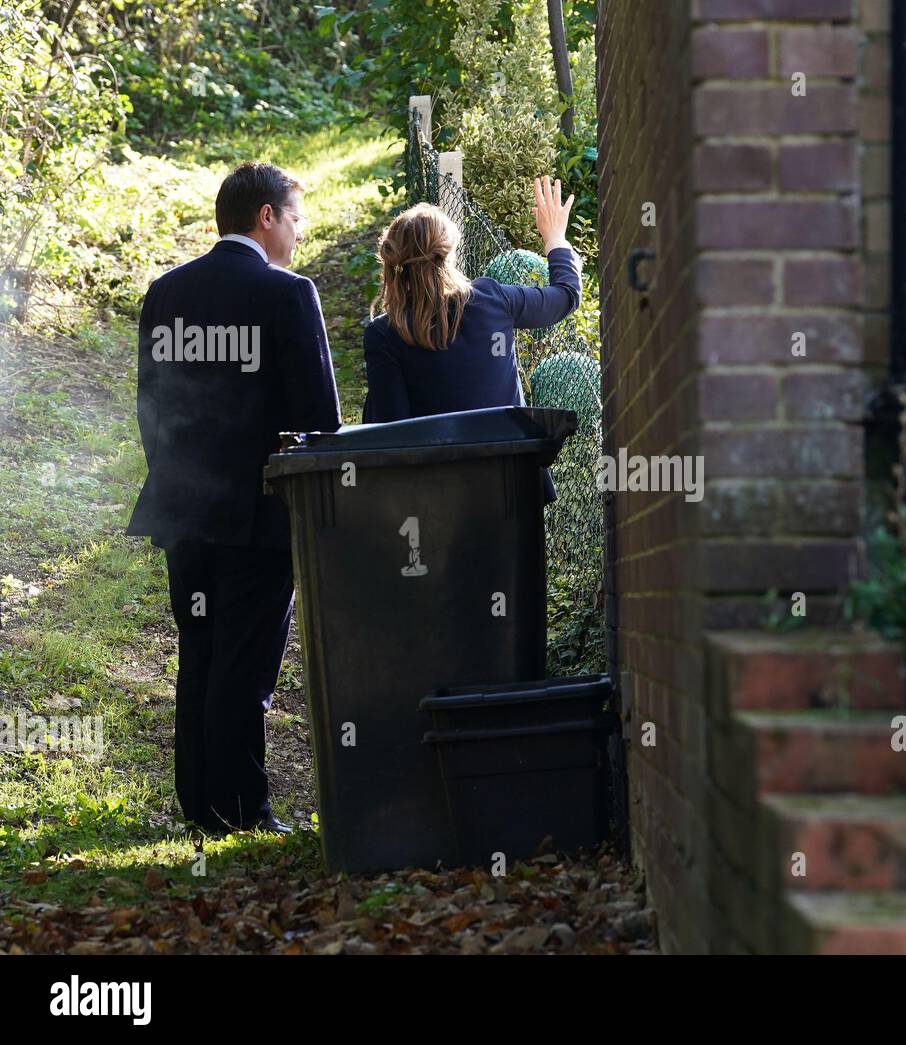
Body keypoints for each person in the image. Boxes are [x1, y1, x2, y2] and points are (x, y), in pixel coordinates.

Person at [126, 162, 341, 836]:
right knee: (245, 664)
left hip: (183, 507)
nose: (299, 235)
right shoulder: (287, 295)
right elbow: (320, 418)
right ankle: (241, 808)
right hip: (257, 513)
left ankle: (198, 801)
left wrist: (174, 471)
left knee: (201, 650)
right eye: (296, 219)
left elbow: (149, 405)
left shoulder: (165, 292)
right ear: (266, 217)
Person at [361, 176, 582, 467]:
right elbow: (565, 296)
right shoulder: (492, 299)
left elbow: (392, 433)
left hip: (435, 492)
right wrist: (555, 238)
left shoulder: (383, 334)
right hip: (514, 482)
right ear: (449, 253)